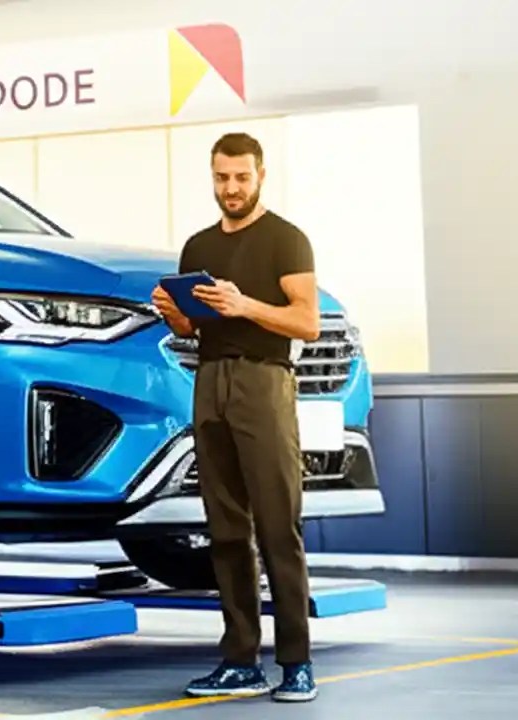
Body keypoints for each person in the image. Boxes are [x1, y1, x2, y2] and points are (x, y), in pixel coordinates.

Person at [150, 132, 321, 703]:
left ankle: (296, 662)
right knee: (224, 530)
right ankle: (239, 658)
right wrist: (175, 313)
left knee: (278, 527)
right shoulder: (198, 246)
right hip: (210, 380)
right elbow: (190, 331)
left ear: (261, 176)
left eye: (241, 178)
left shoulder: (286, 240)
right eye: (222, 178)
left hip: (264, 383)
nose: (231, 188)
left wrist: (244, 304)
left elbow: (307, 323)